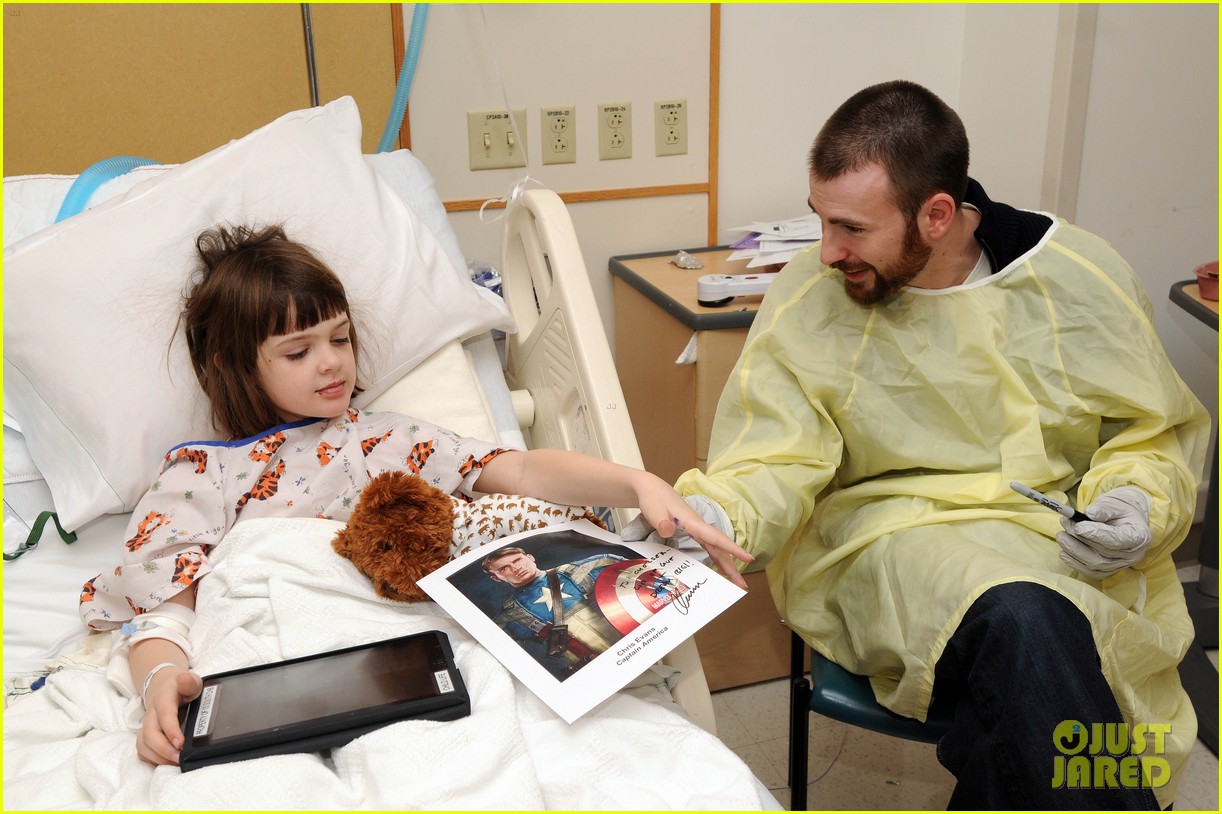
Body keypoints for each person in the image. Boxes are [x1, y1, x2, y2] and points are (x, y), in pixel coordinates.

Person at [670, 81, 1209, 809]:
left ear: (936, 214)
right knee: (1029, 623)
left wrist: (1133, 503)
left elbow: (1146, 432)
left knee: (1025, 713)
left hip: (1052, 537)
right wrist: (715, 512)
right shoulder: (813, 294)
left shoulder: (1074, 276)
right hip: (886, 539)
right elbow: (775, 454)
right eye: (820, 221)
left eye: (853, 228)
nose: (828, 251)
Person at [78, 223, 752, 767]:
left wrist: (636, 482)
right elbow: (162, 613)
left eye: (340, 338)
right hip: (286, 668)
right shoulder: (198, 474)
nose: (333, 362)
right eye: (298, 350)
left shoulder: (389, 440)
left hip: (416, 650)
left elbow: (517, 472)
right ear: (230, 363)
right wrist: (160, 680)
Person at [481, 545, 629, 677]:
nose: (515, 568)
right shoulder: (509, 617)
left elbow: (642, 574)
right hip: (600, 673)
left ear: (530, 557)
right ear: (496, 578)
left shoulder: (589, 567)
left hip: (635, 636)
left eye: (517, 560)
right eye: (504, 568)